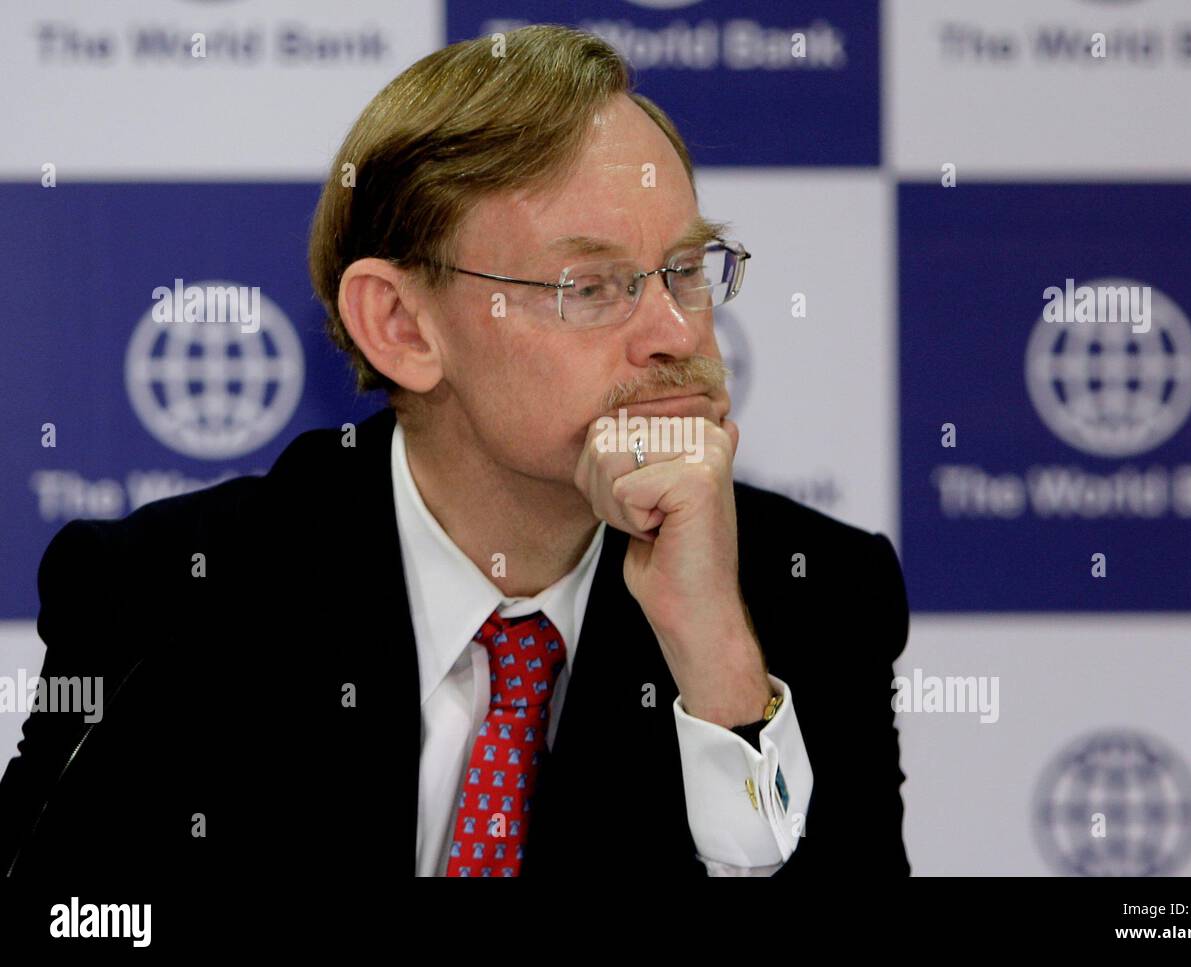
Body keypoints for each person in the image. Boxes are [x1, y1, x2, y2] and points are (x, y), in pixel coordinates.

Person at [0, 23, 910, 879]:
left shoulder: (810, 597)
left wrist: (715, 664)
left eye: (683, 270)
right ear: (400, 326)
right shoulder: (167, 599)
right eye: (590, 286)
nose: (676, 331)